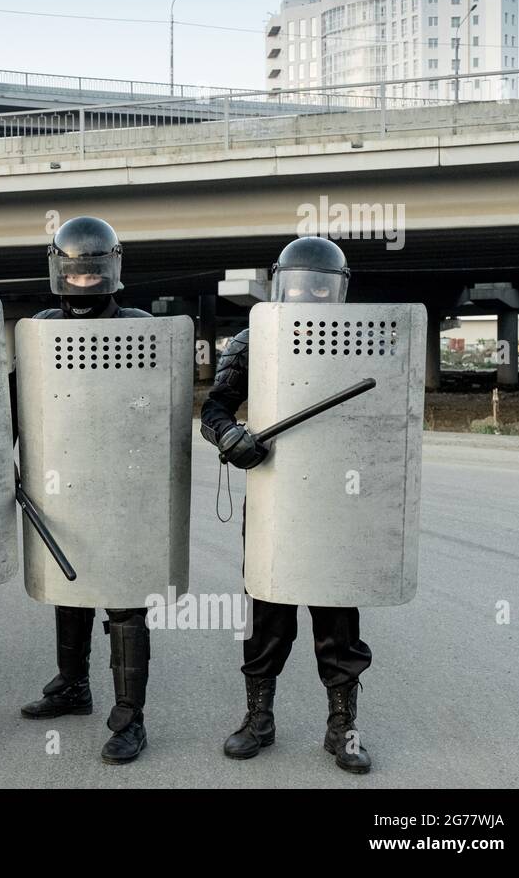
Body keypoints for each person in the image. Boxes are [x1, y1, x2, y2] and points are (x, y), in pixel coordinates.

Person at [199, 235, 373, 774]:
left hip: (336, 499)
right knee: (269, 611)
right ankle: (258, 719)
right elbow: (215, 408)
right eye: (301, 285)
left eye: (321, 287)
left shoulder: (361, 339)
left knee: (338, 615)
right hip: (276, 495)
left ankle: (342, 726)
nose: (310, 294)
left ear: (337, 291)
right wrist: (231, 438)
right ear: (281, 284)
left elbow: (387, 413)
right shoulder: (254, 339)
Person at [13, 216, 156, 765]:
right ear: (59, 271)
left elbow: (157, 408)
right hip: (62, 477)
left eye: (93, 271)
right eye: (74, 272)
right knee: (69, 588)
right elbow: (15, 402)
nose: (84, 282)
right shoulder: (41, 328)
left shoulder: (141, 326)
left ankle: (129, 719)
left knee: (123, 600)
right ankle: (73, 686)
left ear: (112, 269)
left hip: (124, 483)